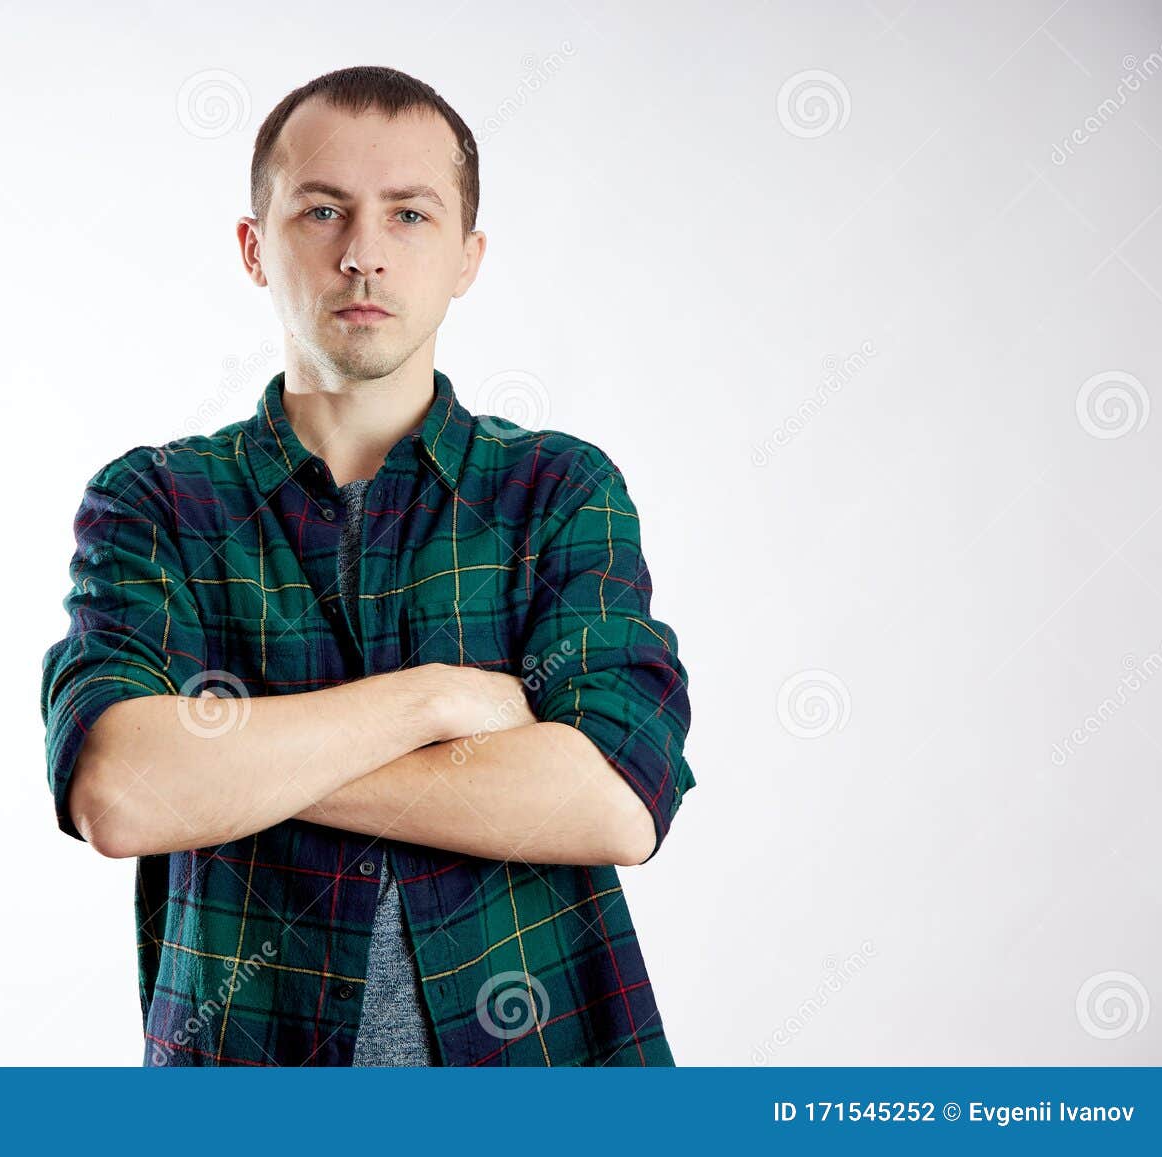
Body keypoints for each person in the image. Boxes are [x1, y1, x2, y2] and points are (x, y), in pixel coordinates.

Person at [39, 65, 697, 1067]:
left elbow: (611, 800)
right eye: (321, 212)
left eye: (408, 216)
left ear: (467, 256)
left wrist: (233, 768)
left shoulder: (556, 490)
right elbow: (125, 791)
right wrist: (435, 699)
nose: (362, 255)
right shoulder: (158, 502)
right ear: (255, 248)